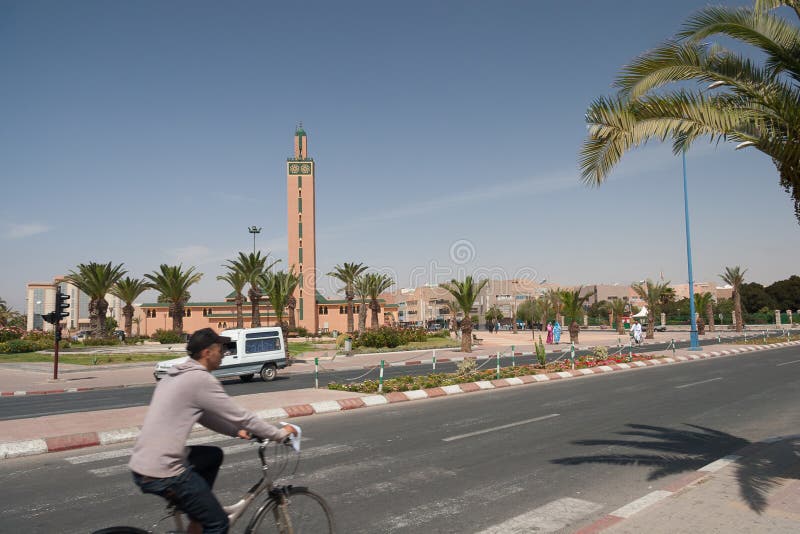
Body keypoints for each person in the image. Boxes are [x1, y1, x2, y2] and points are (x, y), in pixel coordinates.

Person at [129, 328, 297, 534]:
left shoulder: (175, 374)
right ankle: (203, 517)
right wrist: (278, 434)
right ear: (207, 352)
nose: (224, 353)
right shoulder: (200, 380)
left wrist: (237, 432)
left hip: (143, 462)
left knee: (213, 455)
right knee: (218, 524)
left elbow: (205, 416)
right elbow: (242, 415)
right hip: (164, 470)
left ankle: (197, 518)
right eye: (220, 349)